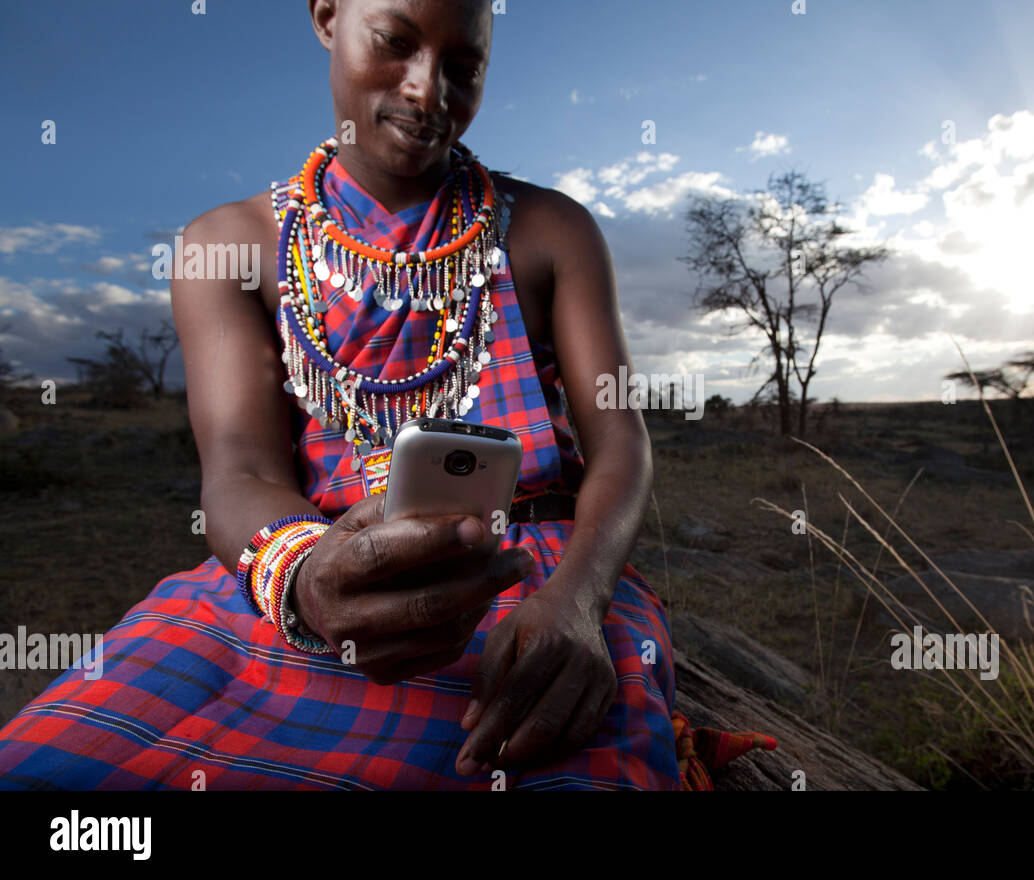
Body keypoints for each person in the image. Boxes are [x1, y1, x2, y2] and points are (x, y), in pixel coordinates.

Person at [0, 0, 683, 790]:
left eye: (464, 69)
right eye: (395, 41)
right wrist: (307, 580)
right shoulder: (228, 245)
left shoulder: (550, 229)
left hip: (538, 584)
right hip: (298, 581)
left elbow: (621, 441)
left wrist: (579, 600)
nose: (429, 91)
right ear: (327, 16)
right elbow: (237, 472)